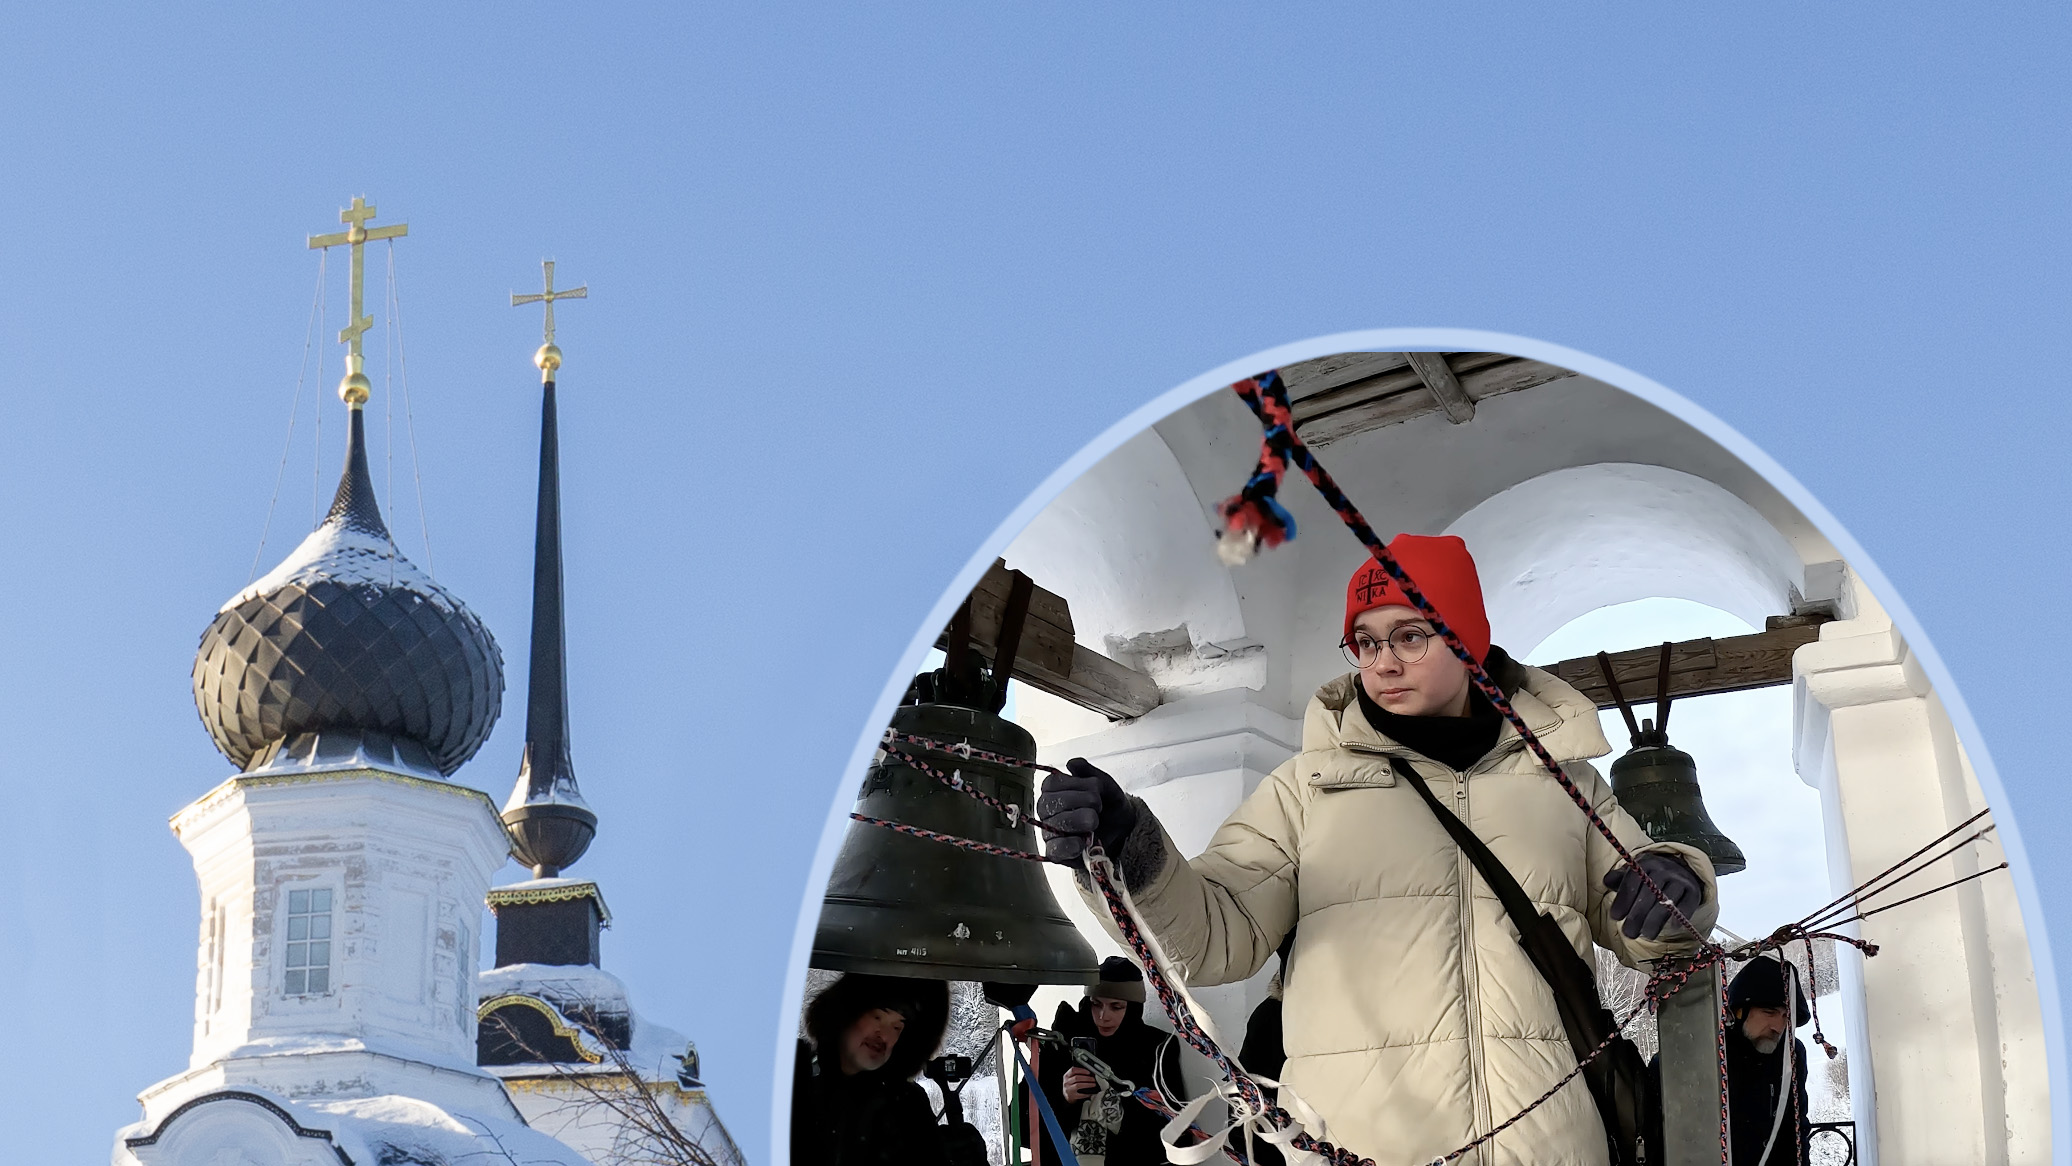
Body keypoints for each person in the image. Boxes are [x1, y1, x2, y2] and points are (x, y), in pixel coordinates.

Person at [1039, 533, 1721, 1166]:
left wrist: (1674, 883)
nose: (1383, 661)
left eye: (1411, 635)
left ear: (1470, 641)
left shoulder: (1565, 782)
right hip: (1364, 1148)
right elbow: (1214, 938)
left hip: (1552, 1146)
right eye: (1363, 642)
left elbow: (1650, 935)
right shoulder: (1307, 790)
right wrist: (1129, 847)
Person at [791, 973, 989, 1166]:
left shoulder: (907, 1104)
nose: (883, 1035)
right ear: (847, 1012)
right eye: (878, 1017)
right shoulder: (790, 1077)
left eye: (897, 1027)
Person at [1033, 956, 1188, 1166]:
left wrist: (1121, 1111)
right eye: (1096, 1004)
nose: (1103, 1016)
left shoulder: (1156, 1048)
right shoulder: (1063, 1040)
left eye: (1116, 1007)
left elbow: (1179, 1137)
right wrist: (1064, 1100)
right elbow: (1026, 1126)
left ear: (1132, 1007)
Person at [1722, 957, 1812, 1166]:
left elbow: (1796, 1127)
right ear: (1739, 1011)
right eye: (1769, 1012)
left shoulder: (1792, 1054)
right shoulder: (1710, 1052)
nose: (1777, 1026)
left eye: (1785, 1015)